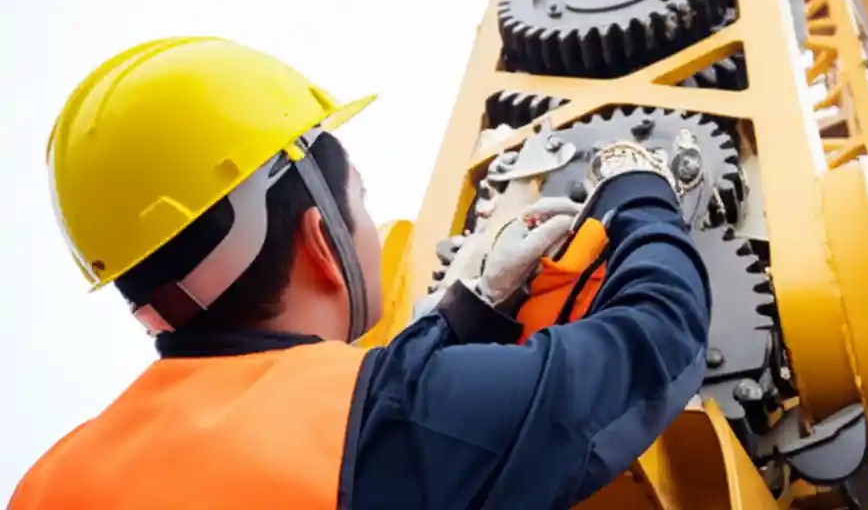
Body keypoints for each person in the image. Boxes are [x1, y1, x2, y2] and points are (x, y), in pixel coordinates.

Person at [11, 37, 711, 509]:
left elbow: (354, 418)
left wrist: (467, 307)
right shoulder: (385, 427)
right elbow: (656, 338)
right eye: (361, 200)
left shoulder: (49, 483)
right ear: (322, 240)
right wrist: (637, 187)